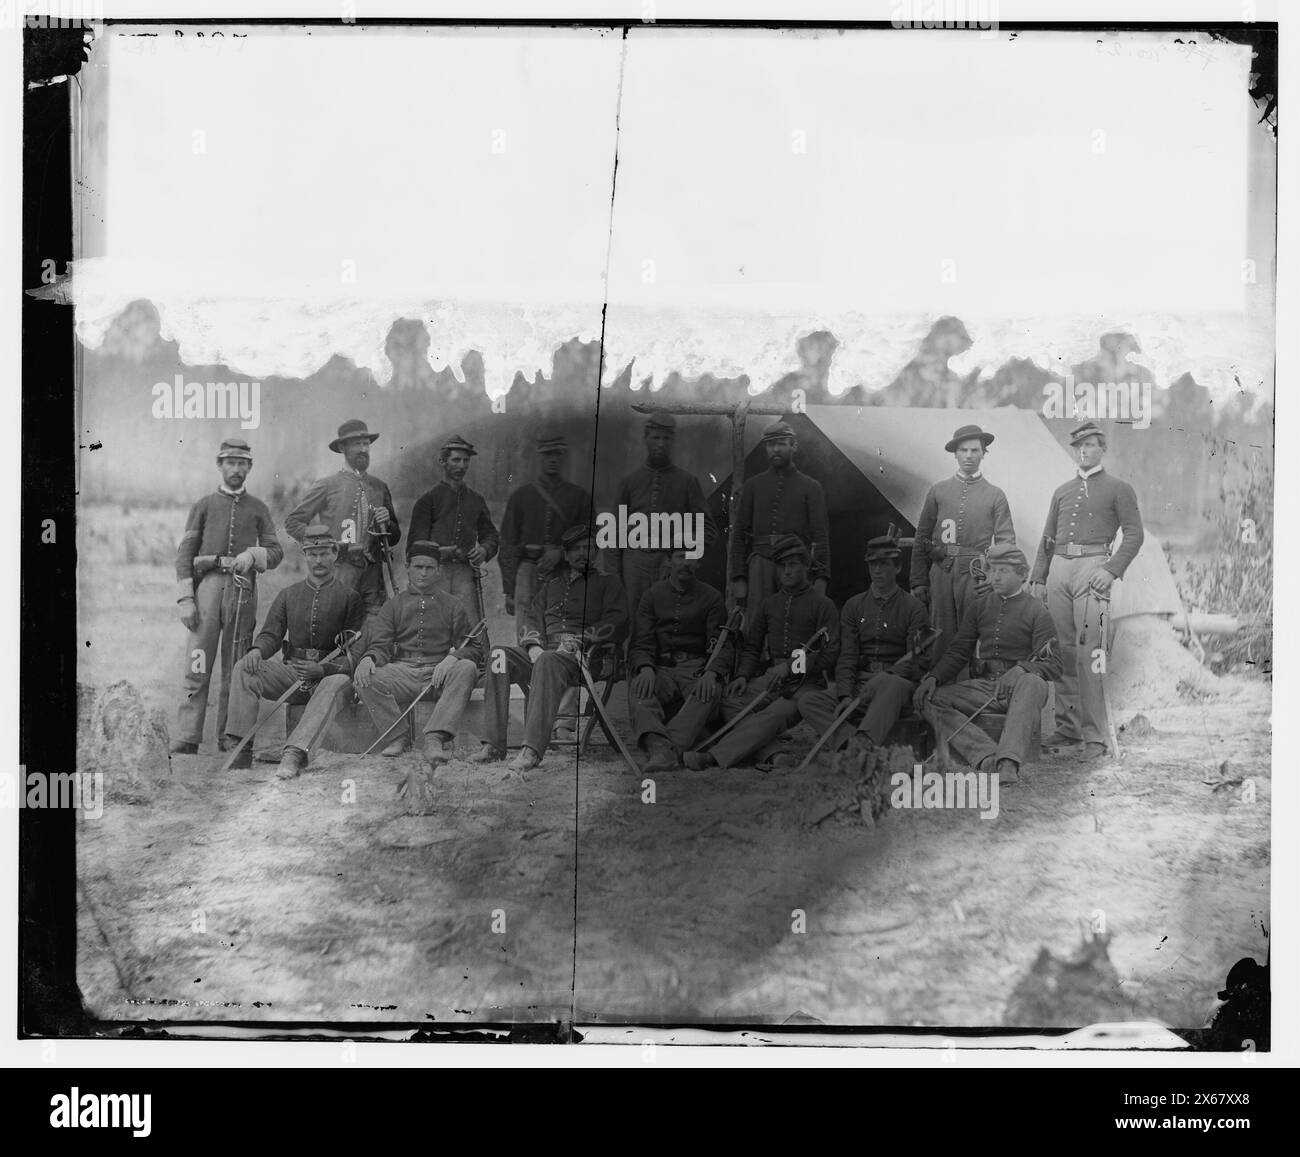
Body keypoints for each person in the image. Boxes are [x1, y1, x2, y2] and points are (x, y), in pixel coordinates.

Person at [1029, 420, 1145, 759]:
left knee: (1091, 653)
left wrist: (1111, 571)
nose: (1083, 451)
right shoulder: (1062, 491)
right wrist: (1039, 577)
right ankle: (1067, 730)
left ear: (1102, 448)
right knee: (1062, 651)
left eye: (1090, 445)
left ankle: (1095, 736)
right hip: (1059, 571)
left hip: (1094, 569)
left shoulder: (1118, 488)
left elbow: (1134, 534)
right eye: (1078, 446)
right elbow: (1048, 538)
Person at [473, 524, 628, 775]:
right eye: (576, 549)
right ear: (566, 555)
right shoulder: (552, 585)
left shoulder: (608, 584)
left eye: (588, 548)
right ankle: (493, 744)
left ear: (596, 552)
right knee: (498, 655)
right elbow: (532, 617)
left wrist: (583, 639)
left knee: (546, 660)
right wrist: (533, 645)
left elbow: (618, 621)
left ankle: (532, 750)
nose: (582, 554)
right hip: (546, 653)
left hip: (585, 658)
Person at [223, 523, 366, 778]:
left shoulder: (350, 597)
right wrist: (257, 651)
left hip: (329, 679)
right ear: (305, 555)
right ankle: (239, 750)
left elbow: (354, 653)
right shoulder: (288, 595)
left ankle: (294, 754)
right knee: (244, 668)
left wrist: (322, 668)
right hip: (294, 675)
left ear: (335, 554)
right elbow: (271, 635)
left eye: (324, 553)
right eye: (312, 554)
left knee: (335, 682)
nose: (319, 560)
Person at [684, 535, 838, 771]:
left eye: (793, 565)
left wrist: (791, 665)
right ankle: (774, 754)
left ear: (806, 566)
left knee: (773, 715)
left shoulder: (823, 605)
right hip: (771, 680)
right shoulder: (770, 604)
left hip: (806, 685)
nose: (786, 572)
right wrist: (743, 676)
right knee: (730, 702)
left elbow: (830, 654)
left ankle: (713, 758)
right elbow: (752, 646)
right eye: (781, 566)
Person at [172, 438, 284, 754]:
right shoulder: (204, 506)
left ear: (249, 467)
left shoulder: (259, 508)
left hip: (243, 591)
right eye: (230, 462)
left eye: (242, 463)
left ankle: (231, 735)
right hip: (207, 588)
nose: (236, 469)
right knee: (198, 659)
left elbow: (276, 552)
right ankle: (188, 734)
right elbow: (185, 555)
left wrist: (252, 554)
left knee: (236, 664)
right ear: (220, 465)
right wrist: (186, 599)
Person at [914, 543, 1063, 780]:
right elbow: (958, 651)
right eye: (993, 570)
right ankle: (985, 757)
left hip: (1021, 689)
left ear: (1022, 575)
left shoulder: (1038, 611)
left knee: (1035, 683)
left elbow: (1055, 664)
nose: (995, 577)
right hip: (985, 688)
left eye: (1003, 571)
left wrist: (1021, 669)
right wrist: (934, 677)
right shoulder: (979, 607)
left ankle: (1008, 763)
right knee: (930, 698)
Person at [353, 541, 484, 777]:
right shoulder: (394, 605)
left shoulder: (452, 605)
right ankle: (397, 736)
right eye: (418, 567)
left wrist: (452, 658)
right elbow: (380, 645)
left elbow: (473, 648)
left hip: (438, 674)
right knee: (365, 677)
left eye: (429, 568)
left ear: (439, 570)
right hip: (402, 673)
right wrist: (369, 658)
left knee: (467, 668)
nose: (423, 573)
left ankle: (435, 738)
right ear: (407, 567)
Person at [797, 535, 931, 758]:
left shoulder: (915, 608)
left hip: (898, 687)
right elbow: (847, 656)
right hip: (862, 684)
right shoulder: (853, 606)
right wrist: (845, 696)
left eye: (883, 564)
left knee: (892, 683)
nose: (877, 571)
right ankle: (852, 746)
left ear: (897, 567)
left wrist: (887, 675)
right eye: (872, 565)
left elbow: (918, 661)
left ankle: (865, 742)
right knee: (809, 701)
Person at [909, 424, 1015, 663]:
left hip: (976, 575)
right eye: (963, 450)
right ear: (955, 453)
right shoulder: (938, 491)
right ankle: (941, 695)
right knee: (940, 635)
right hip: (941, 572)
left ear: (984, 453)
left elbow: (1006, 543)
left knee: (974, 636)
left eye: (975, 450)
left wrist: (993, 578)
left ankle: (970, 694)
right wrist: (918, 580)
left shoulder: (995, 495)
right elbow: (922, 537)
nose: (969, 456)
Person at [627, 548, 731, 773]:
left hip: (696, 668)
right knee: (640, 687)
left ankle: (663, 751)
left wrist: (711, 673)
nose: (686, 563)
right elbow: (641, 642)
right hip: (661, 668)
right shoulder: (652, 595)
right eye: (680, 556)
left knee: (709, 691)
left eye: (692, 557)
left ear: (699, 563)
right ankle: (662, 747)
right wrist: (646, 668)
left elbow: (721, 644)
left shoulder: (712, 597)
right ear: (668, 561)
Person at [284, 419, 401, 617]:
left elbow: (395, 535)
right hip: (339, 574)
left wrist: (387, 521)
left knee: (377, 634)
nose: (363, 449)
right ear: (342, 448)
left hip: (374, 580)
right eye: (357, 444)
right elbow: (293, 522)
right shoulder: (327, 485)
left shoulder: (379, 487)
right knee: (336, 632)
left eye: (366, 444)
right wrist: (325, 545)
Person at [607, 411, 716, 617]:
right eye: (655, 437)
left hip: (668, 564)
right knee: (634, 620)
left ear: (673, 440)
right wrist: (616, 576)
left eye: (666, 438)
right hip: (634, 564)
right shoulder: (630, 482)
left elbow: (708, 531)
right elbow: (613, 535)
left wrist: (681, 550)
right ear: (645, 438)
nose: (660, 443)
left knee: (666, 618)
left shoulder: (687, 482)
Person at [728, 419, 831, 605]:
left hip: (797, 565)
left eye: (781, 444)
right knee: (756, 624)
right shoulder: (753, 486)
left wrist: (821, 579)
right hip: (760, 566)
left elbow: (820, 537)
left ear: (794, 446)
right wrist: (739, 579)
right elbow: (739, 536)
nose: (775, 449)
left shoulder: (811, 487)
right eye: (770, 444)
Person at [498, 432, 592, 632]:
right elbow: (508, 543)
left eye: (558, 454)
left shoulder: (579, 496)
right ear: (539, 457)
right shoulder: (521, 496)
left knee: (559, 630)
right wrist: (509, 588)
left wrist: (562, 551)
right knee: (526, 632)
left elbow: (591, 535)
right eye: (548, 454)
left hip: (564, 572)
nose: (553, 459)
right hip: (527, 572)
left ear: (564, 457)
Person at [407, 434, 500, 620]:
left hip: (465, 575)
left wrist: (484, 550)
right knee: (433, 625)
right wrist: (439, 552)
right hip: (434, 575)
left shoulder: (476, 500)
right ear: (443, 461)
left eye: (466, 461)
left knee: (469, 627)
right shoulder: (428, 500)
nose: (462, 466)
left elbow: (491, 535)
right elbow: (414, 548)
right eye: (456, 460)